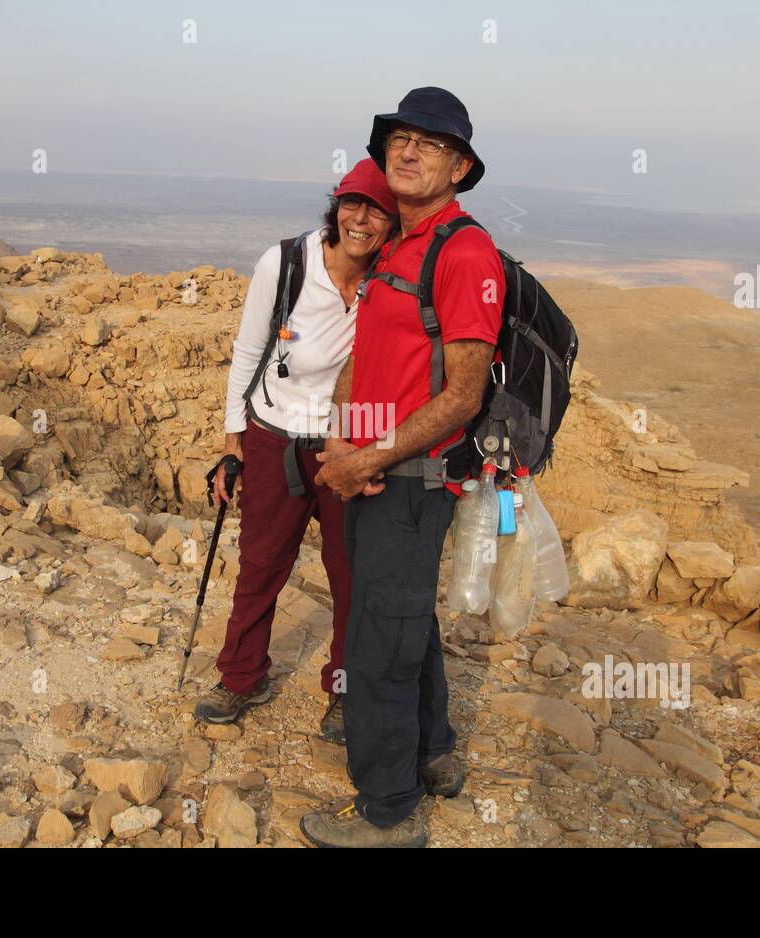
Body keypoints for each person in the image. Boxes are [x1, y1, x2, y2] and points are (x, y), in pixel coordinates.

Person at [301, 88, 503, 848]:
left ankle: (388, 811)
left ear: (459, 165)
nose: (408, 151)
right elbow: (368, 357)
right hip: (374, 469)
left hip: (414, 482)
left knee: (377, 643)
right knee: (402, 617)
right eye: (400, 138)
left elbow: (463, 394)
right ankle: (435, 751)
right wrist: (342, 447)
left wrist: (369, 459)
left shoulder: (464, 251)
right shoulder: (394, 246)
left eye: (429, 143)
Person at [194, 159, 397, 742]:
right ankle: (240, 677)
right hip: (275, 438)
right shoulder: (284, 264)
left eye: (377, 209)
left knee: (351, 576)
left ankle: (345, 690)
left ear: (392, 221)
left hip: (351, 446)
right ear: (335, 206)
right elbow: (248, 349)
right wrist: (233, 445)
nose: (361, 219)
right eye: (352, 204)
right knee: (260, 564)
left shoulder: (392, 274)